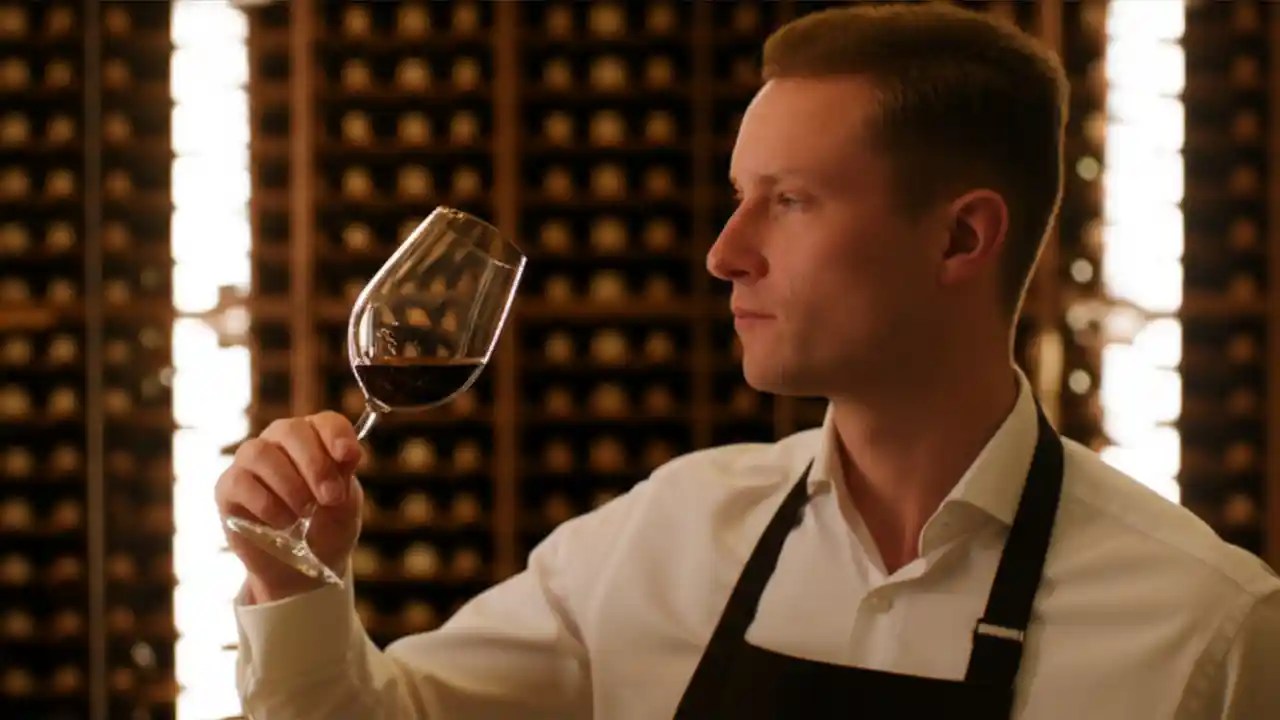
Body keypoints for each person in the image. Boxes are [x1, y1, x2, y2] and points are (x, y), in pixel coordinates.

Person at [218, 4, 1280, 719]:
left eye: (790, 201)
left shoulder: (1206, 628)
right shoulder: (667, 533)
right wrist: (291, 583)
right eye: (738, 197)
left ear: (961, 238)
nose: (725, 254)